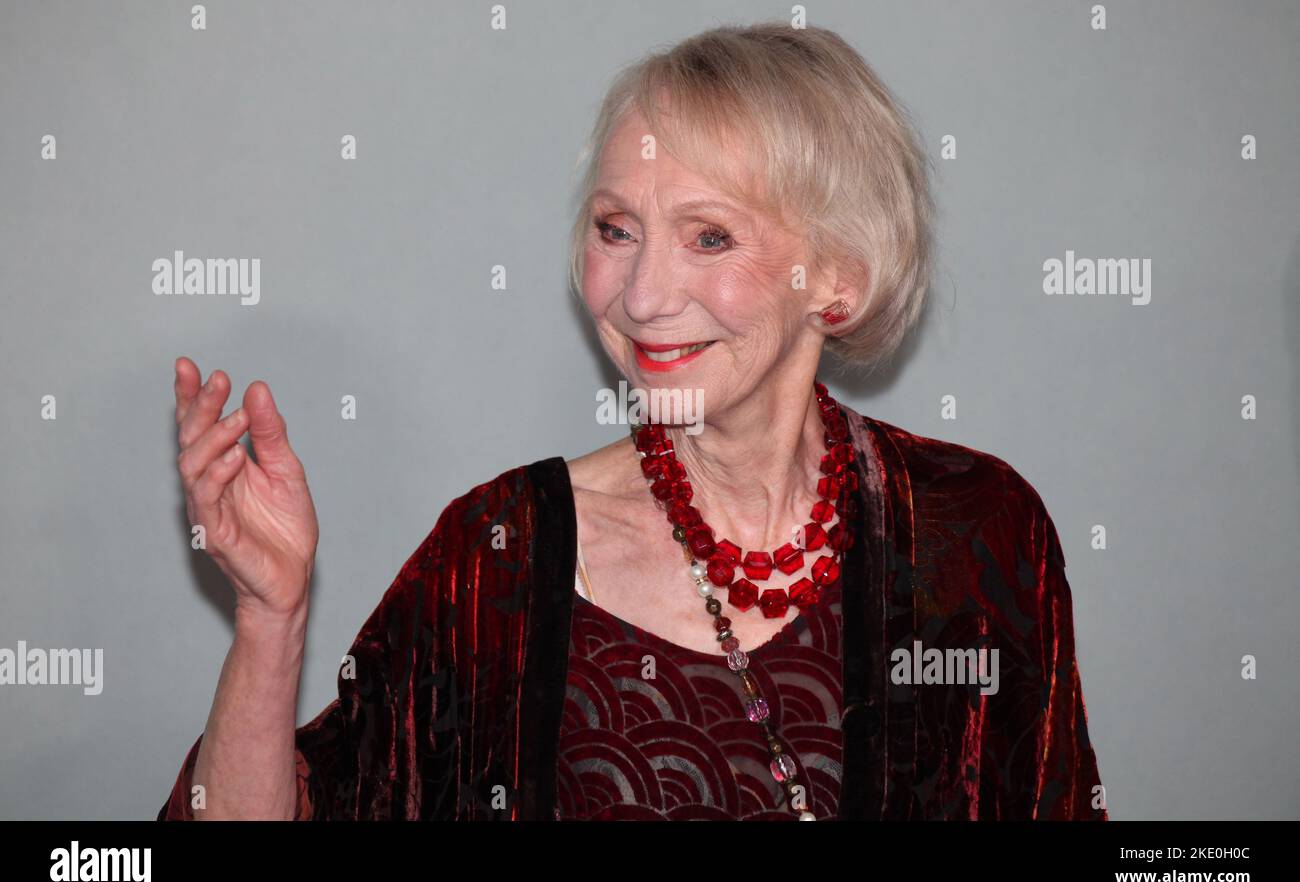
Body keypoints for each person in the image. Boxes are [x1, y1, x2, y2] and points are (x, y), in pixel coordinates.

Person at [159, 22, 1106, 821]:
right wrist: (271, 617)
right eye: (616, 229)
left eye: (710, 237)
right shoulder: (498, 557)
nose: (644, 296)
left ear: (838, 277)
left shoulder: (977, 532)